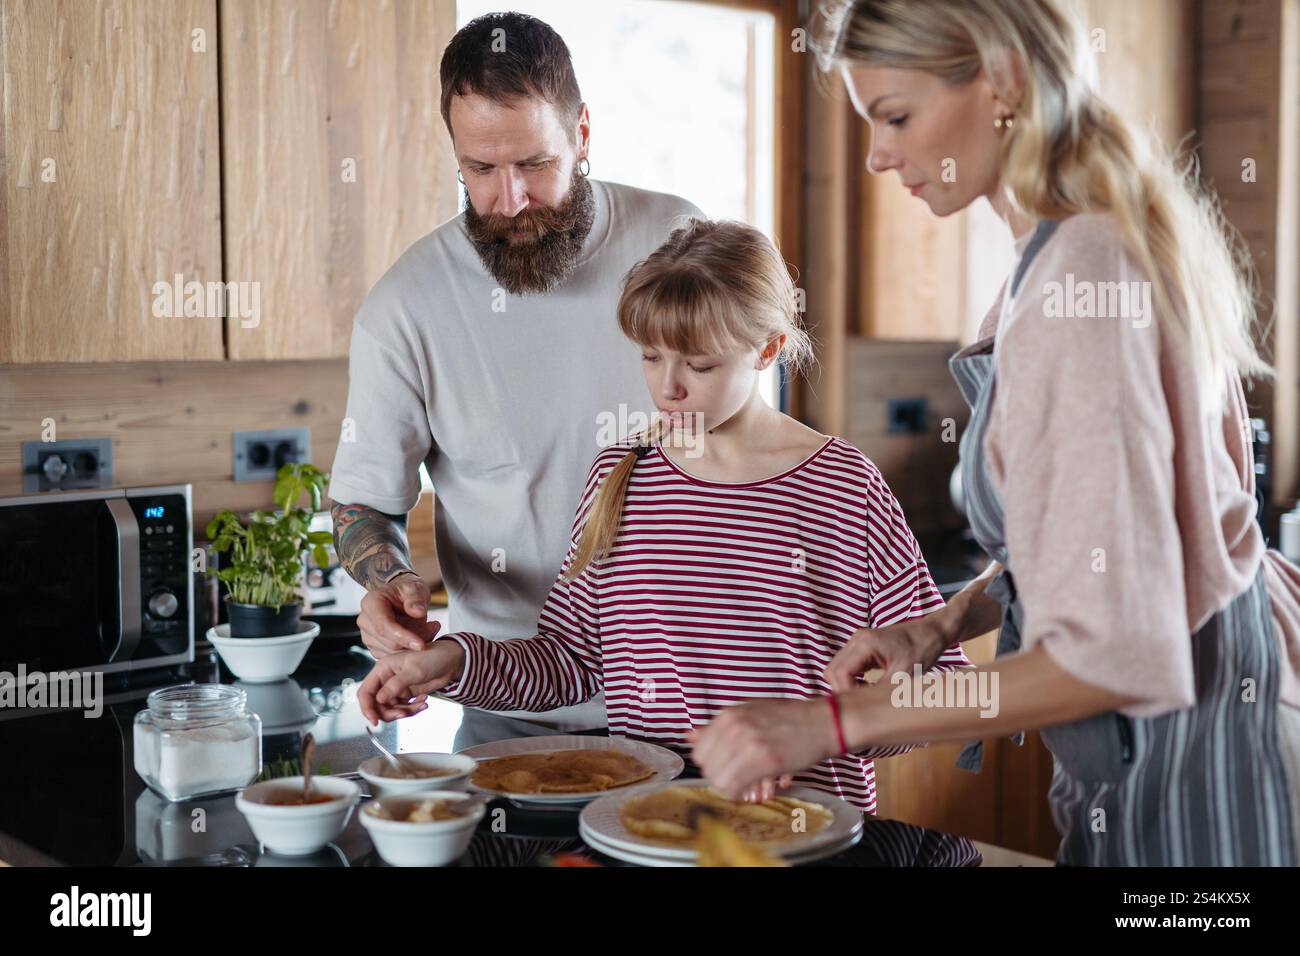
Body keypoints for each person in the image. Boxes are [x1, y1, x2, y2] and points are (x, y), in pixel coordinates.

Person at [690, 0, 1300, 865]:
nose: (876, 155)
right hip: (1173, 734)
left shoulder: (1080, 278)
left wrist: (831, 722)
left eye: (895, 116)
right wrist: (942, 624)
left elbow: (1118, 651)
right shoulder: (1060, 258)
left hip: (1193, 758)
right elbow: (1099, 543)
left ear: (1003, 79)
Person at [357, 218, 971, 812]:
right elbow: (568, 664)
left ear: (768, 349)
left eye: (699, 365)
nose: (668, 388)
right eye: (651, 357)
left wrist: (826, 730)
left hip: (806, 831)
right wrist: (452, 662)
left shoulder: (843, 486)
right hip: (647, 826)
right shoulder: (621, 477)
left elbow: (940, 689)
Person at [327, 13, 701, 731]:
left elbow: (748, 439)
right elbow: (360, 507)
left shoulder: (677, 242)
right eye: (480, 170)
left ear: (582, 133)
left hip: (687, 690)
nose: (510, 201)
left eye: (534, 164)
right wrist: (392, 583)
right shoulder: (404, 308)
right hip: (506, 699)